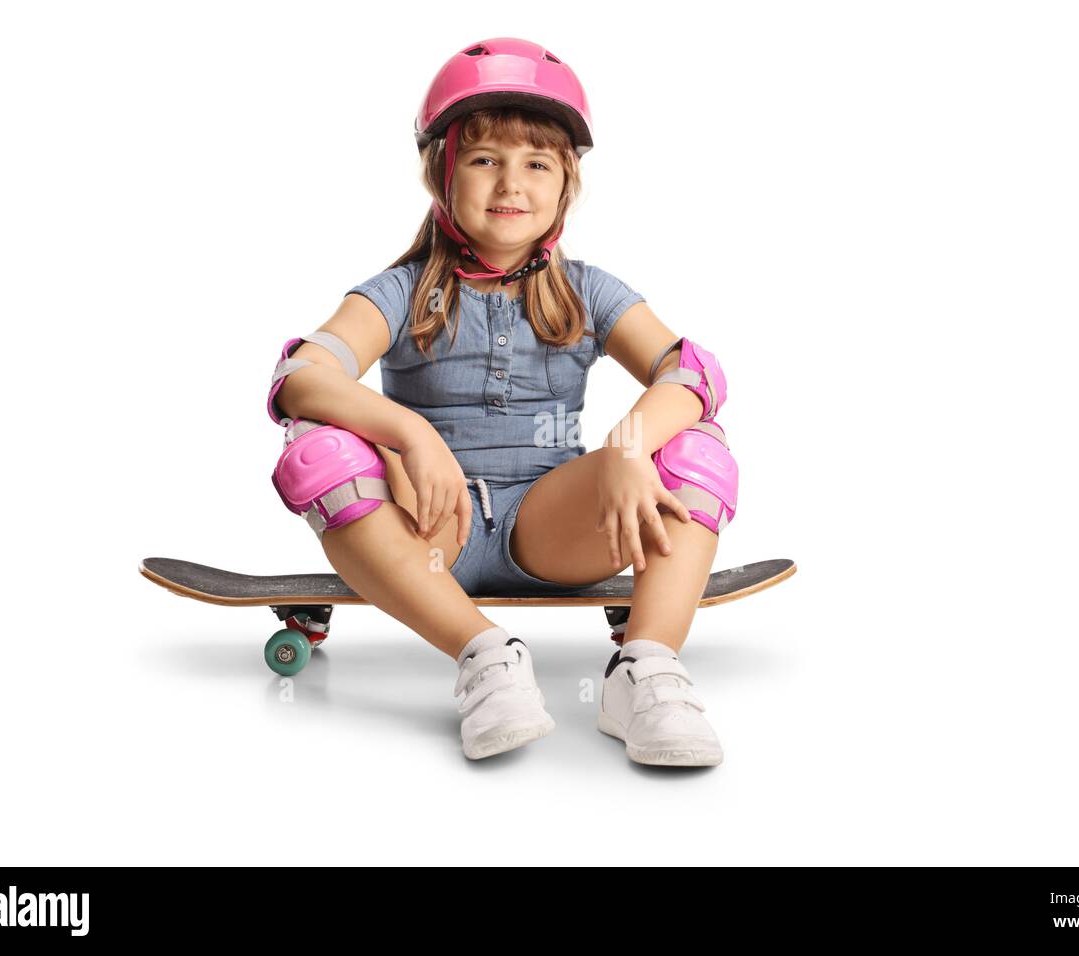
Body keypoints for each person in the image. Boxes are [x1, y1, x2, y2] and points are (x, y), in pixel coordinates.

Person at [267, 38, 738, 766]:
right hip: (429, 531)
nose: (510, 183)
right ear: (443, 173)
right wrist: (410, 433)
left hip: (552, 532)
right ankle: (487, 660)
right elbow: (301, 374)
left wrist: (628, 448)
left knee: (697, 449)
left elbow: (696, 373)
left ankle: (643, 672)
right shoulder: (399, 292)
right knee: (315, 447)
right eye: (485, 159)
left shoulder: (588, 291)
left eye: (536, 164)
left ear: (566, 184)